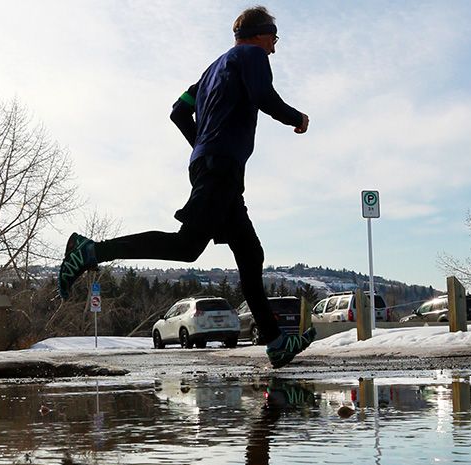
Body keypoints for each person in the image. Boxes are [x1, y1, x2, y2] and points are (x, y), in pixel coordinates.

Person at [57, 6, 314, 368]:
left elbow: (179, 110)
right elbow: (262, 95)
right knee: (187, 246)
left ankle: (276, 343)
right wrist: (296, 118)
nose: (274, 45)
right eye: (274, 37)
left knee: (250, 253)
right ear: (260, 33)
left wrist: (202, 145)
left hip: (214, 165)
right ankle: (90, 251)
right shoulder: (251, 56)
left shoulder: (211, 72)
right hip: (220, 167)